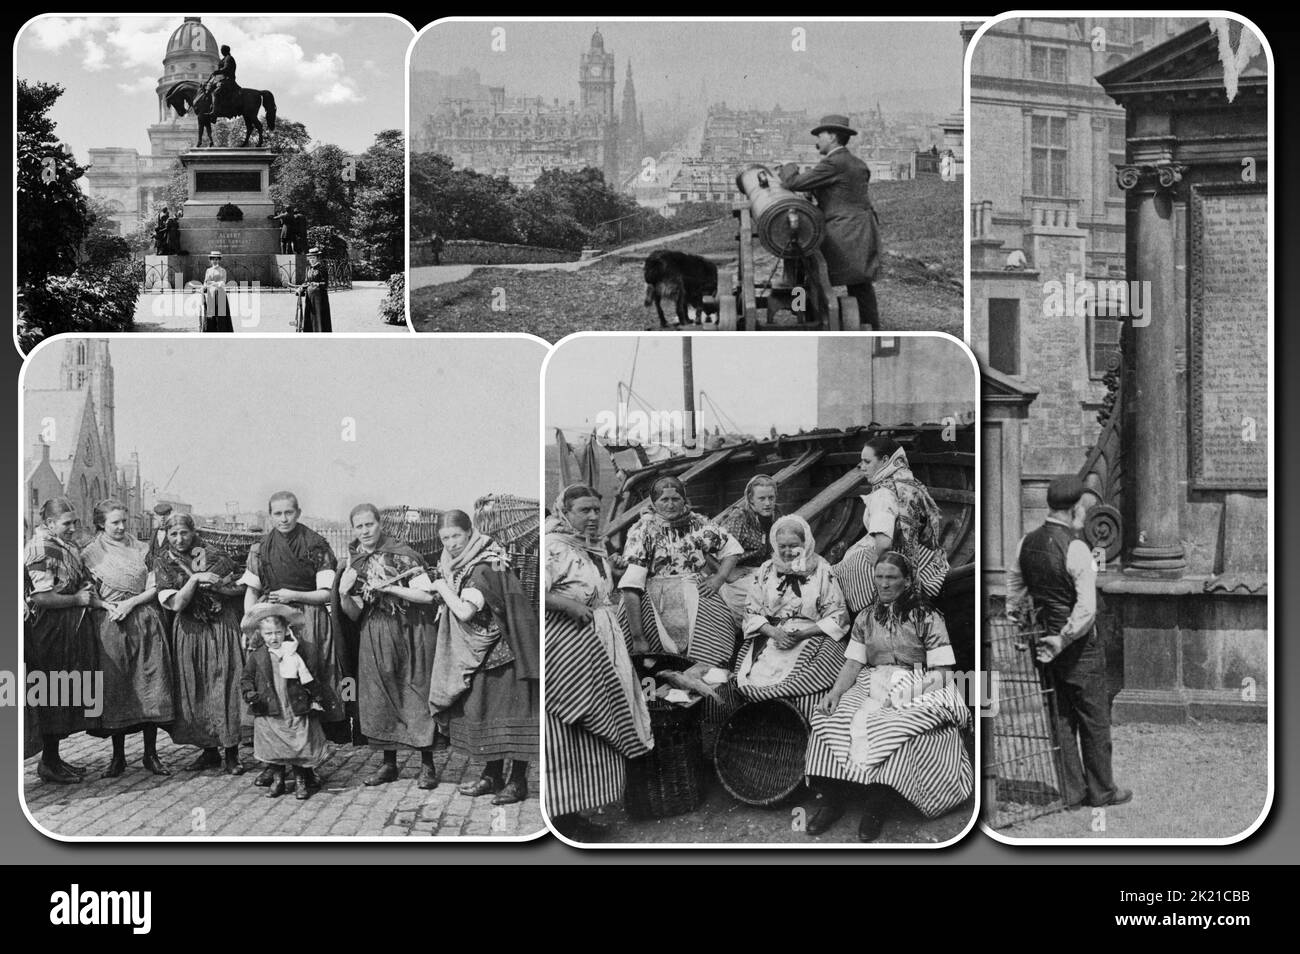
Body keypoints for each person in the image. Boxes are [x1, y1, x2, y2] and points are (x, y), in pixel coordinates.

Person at [805, 551, 973, 841]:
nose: (884, 584)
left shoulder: (926, 616)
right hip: (876, 679)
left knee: (897, 724)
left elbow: (944, 671)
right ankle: (833, 799)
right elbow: (854, 663)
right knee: (830, 716)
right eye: (879, 577)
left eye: (892, 577)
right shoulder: (867, 617)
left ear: (906, 582)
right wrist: (835, 692)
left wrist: (908, 693)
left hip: (923, 681)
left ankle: (877, 804)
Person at [1006, 475, 1130, 810]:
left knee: (1059, 717)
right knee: (1093, 717)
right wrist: (1063, 638)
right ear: (1076, 509)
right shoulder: (1077, 548)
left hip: (1042, 643)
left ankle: (1072, 792)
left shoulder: (1024, 543)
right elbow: (1086, 608)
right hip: (1075, 646)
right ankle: (1102, 791)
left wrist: (1021, 630)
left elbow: (1014, 594)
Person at [543, 485, 653, 842]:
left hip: (603, 636)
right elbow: (535, 592)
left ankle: (586, 805)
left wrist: (615, 572)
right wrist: (569, 606)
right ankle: (562, 815)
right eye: (583, 510)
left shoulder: (593, 546)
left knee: (609, 712)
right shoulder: (552, 547)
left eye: (596, 509)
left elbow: (600, 591)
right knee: (571, 720)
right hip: (567, 640)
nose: (592, 517)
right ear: (565, 512)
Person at [428, 511, 540, 804]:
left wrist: (440, 587)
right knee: (488, 713)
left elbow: (465, 611)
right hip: (484, 650)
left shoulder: (483, 566)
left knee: (514, 716)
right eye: (445, 538)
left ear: (470, 533)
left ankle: (518, 781)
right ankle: (492, 776)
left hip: (504, 651)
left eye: (456, 536)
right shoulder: (468, 561)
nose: (451, 543)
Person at [239, 492, 346, 787]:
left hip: (307, 620)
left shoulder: (315, 544)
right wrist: (250, 626)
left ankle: (306, 764)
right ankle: (275, 763)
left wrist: (293, 595)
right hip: (271, 619)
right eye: (278, 513)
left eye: (289, 513)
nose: (284, 519)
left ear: (298, 512)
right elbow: (251, 590)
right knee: (272, 688)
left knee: (301, 690)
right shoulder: (261, 548)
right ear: (270, 515)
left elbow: (326, 593)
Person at [338, 503, 439, 788]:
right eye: (359, 526)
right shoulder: (354, 563)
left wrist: (391, 588)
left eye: (369, 524)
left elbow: (427, 595)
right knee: (379, 696)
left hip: (409, 628)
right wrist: (345, 594)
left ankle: (427, 765)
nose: (365, 531)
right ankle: (388, 764)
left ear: (380, 524)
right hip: (374, 630)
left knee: (415, 692)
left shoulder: (403, 555)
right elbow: (355, 613)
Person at [82, 499, 174, 778]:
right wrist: (105, 605)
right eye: (115, 522)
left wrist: (131, 603)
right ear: (101, 524)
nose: (122, 526)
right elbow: (88, 590)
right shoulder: (91, 554)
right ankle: (118, 757)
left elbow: (156, 585)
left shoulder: (141, 548)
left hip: (145, 619)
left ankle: (151, 754)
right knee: (117, 689)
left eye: (124, 521)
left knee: (151, 685)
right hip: (111, 624)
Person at [152, 512, 248, 775]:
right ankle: (209, 751)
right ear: (167, 536)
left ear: (193, 531)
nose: (179, 539)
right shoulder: (163, 562)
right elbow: (178, 603)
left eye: (184, 532)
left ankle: (231, 752)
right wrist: (195, 579)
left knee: (226, 684)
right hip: (190, 628)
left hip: (220, 625)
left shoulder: (212, 554)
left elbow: (235, 581)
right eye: (173, 534)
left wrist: (220, 585)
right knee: (198, 687)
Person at [618, 475, 743, 667]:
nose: (670, 505)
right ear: (654, 502)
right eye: (664, 500)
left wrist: (719, 578)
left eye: (675, 499)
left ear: (684, 500)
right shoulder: (644, 529)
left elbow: (732, 549)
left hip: (695, 591)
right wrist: (637, 636)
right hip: (652, 598)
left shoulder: (698, 523)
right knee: (656, 662)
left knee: (711, 652)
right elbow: (630, 586)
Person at [734, 515, 850, 719]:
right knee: (755, 677)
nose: (788, 552)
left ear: (805, 543)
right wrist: (773, 632)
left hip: (811, 634)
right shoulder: (766, 570)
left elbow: (838, 615)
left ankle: (795, 720)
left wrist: (803, 634)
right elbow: (751, 611)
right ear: (774, 544)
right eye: (783, 546)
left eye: (794, 545)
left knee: (807, 680)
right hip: (772, 633)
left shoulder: (822, 569)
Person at [23, 498, 105, 784]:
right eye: (66, 523)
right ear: (49, 524)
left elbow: (75, 578)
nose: (72, 528)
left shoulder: (64, 545)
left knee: (64, 693)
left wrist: (86, 587)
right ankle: (48, 763)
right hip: (47, 631)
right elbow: (41, 597)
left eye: (74, 522)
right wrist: (77, 599)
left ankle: (54, 758)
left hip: (66, 628)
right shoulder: (40, 548)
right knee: (51, 694)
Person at [777, 114, 882, 329]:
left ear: (833, 137)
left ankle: (808, 316)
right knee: (861, 284)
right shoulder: (856, 163)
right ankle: (871, 327)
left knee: (806, 264)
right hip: (862, 230)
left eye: (820, 135)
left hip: (842, 231)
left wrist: (787, 166)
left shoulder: (834, 163)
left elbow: (793, 182)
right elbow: (841, 194)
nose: (817, 140)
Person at [833, 436, 949, 612]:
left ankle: (856, 613)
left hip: (896, 558)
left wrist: (875, 559)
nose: (862, 467)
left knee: (837, 574)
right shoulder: (908, 480)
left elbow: (884, 544)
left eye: (867, 461)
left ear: (885, 460)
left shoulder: (883, 494)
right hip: (927, 559)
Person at [240, 604, 340, 800]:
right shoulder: (257, 655)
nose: (274, 637)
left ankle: (301, 780)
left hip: (293, 707)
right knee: (273, 745)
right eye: (268, 633)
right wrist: (250, 692)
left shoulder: (296, 652)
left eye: (278, 632)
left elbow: (309, 677)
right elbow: (246, 678)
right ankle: (278, 780)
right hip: (270, 708)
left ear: (286, 630)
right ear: (261, 633)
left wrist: (315, 697)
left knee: (298, 743)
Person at [715, 474, 781, 621]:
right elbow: (713, 550)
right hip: (737, 577)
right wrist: (727, 573)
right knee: (764, 598)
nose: (767, 503)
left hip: (761, 571)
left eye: (771, 498)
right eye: (762, 499)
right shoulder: (739, 518)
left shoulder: (775, 516)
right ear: (751, 499)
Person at [297, 247, 332, 333]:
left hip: (319, 298)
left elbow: (326, 284)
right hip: (310, 297)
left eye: (313, 258)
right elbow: (306, 282)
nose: (311, 260)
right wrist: (301, 288)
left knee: (319, 317)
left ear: (317, 258)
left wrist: (317, 284)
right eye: (310, 258)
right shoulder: (308, 269)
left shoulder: (322, 269)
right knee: (310, 316)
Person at [200, 251, 233, 333]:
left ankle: (222, 331)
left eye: (217, 259)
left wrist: (212, 283)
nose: (215, 261)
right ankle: (211, 331)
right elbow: (206, 282)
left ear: (219, 260)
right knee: (211, 315)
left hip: (220, 294)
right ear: (210, 260)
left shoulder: (223, 271)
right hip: (210, 295)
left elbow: (222, 283)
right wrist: (204, 286)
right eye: (213, 259)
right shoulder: (208, 270)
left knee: (221, 315)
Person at [206, 44, 237, 113]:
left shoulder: (228, 58)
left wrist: (217, 71)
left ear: (225, 51)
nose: (221, 52)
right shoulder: (224, 59)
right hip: (223, 79)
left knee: (216, 93)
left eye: (222, 50)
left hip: (228, 80)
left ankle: (215, 111)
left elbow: (226, 68)